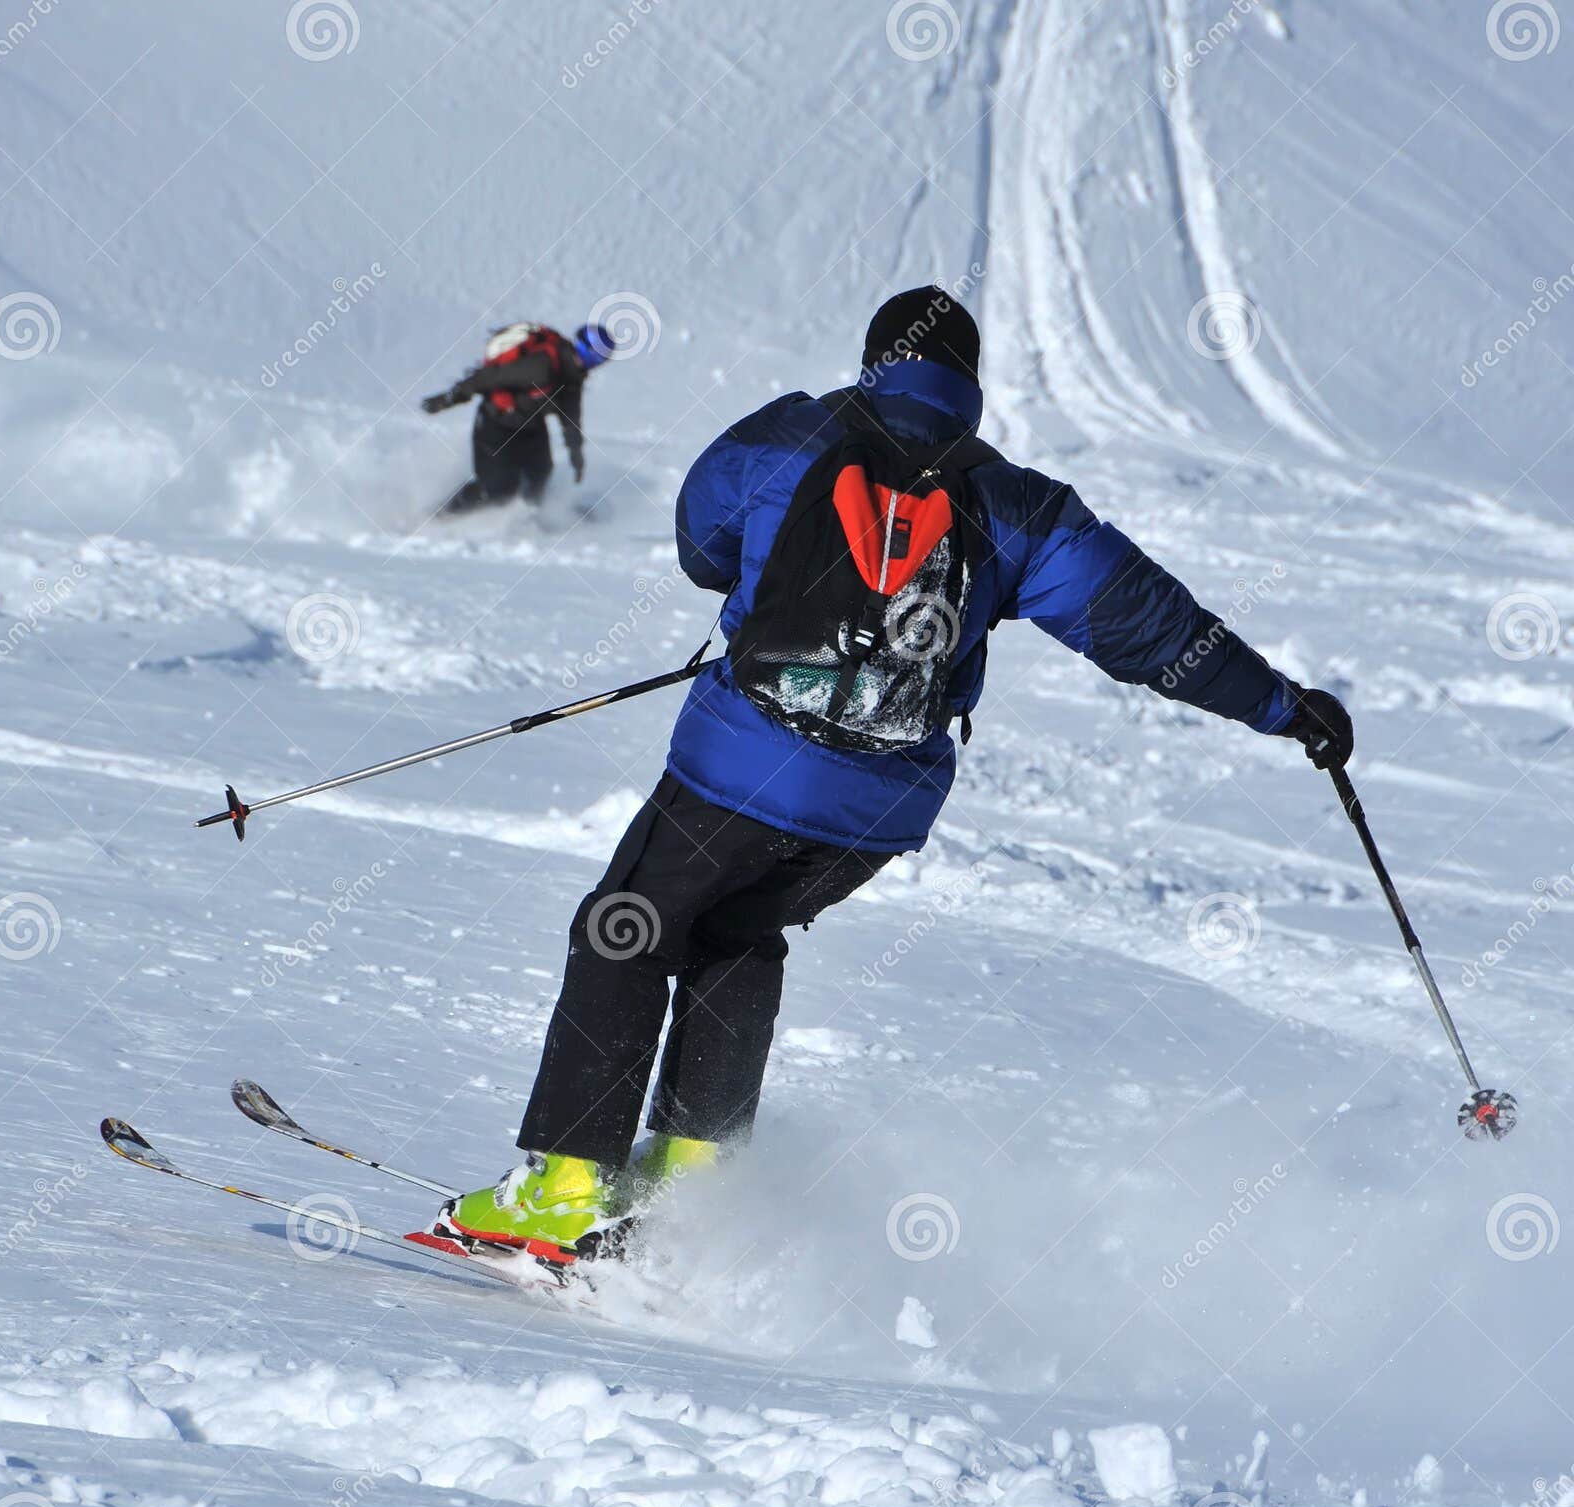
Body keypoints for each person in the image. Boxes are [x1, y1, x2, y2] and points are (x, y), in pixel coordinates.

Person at [429, 286, 1353, 1267]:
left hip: (739, 764)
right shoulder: (1018, 505)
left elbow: (702, 543)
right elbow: (1155, 632)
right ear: (971, 384)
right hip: (877, 808)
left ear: (876, 359)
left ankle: (563, 1188)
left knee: (628, 925)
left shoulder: (788, 435)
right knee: (741, 931)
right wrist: (1284, 706)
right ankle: (694, 1186)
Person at [423, 321, 614, 512]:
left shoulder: (573, 377)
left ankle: (532, 524)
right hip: (496, 424)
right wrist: (447, 399)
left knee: (540, 476)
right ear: (593, 356)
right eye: (602, 359)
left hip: (531, 426)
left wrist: (576, 454)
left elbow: (570, 418)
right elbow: (488, 378)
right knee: (497, 488)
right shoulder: (542, 366)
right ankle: (442, 516)